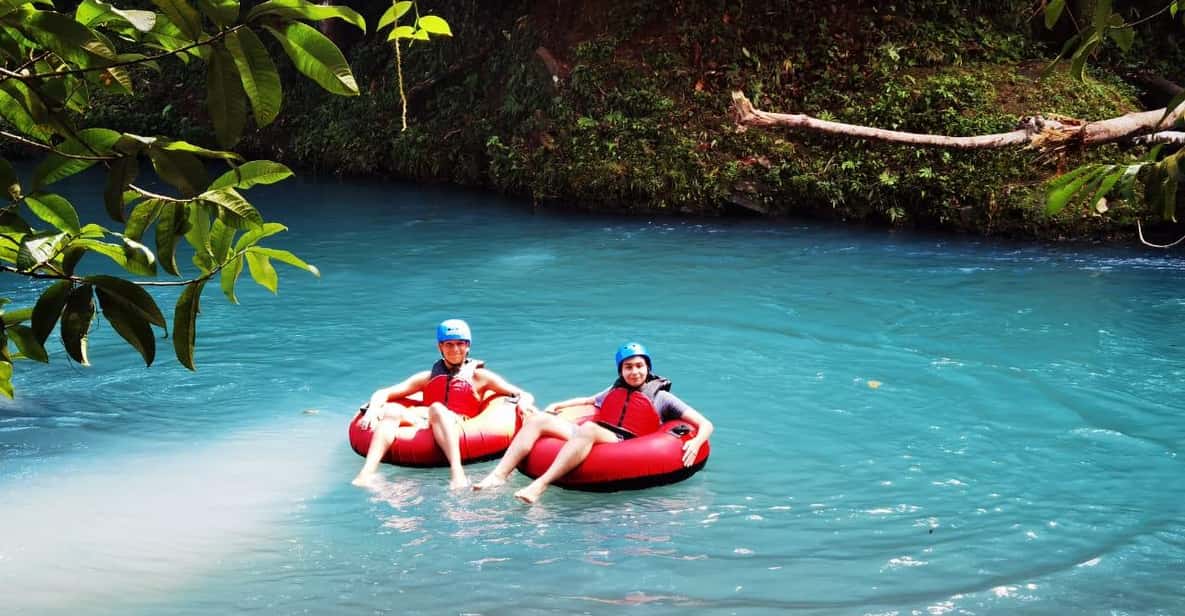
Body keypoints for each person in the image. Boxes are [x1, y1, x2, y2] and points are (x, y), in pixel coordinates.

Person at [473, 342, 713, 503]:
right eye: (628, 367)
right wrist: (560, 405)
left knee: (588, 429)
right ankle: (499, 475)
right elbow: (590, 400)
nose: (635, 372)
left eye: (639, 366)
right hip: (595, 433)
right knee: (538, 420)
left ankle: (540, 485)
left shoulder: (662, 397)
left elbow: (705, 423)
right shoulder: (615, 389)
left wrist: (697, 441)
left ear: (648, 368)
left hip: (622, 440)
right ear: (621, 371)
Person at [351, 319, 536, 489]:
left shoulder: (480, 377)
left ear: (468, 346)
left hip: (457, 422)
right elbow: (385, 392)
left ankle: (457, 474)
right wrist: (374, 408)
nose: (455, 349)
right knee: (392, 410)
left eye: (460, 344)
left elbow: (521, 393)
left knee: (437, 409)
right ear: (440, 346)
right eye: (449, 344)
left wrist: (523, 404)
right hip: (425, 419)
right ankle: (367, 473)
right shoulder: (428, 377)